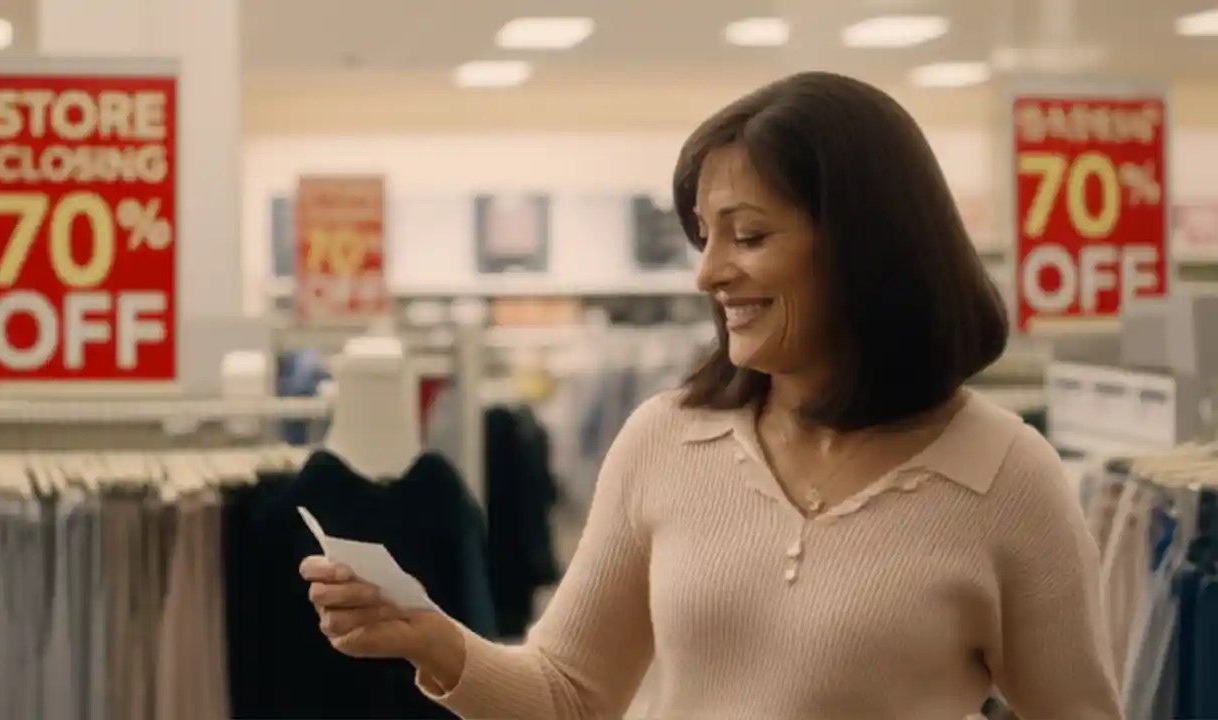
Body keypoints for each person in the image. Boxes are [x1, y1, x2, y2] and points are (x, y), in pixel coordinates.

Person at [300, 71, 1123, 720]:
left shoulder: (1005, 475)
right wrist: (435, 643)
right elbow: (570, 696)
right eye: (705, 233)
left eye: (749, 235)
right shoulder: (664, 440)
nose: (709, 271)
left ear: (866, 245)